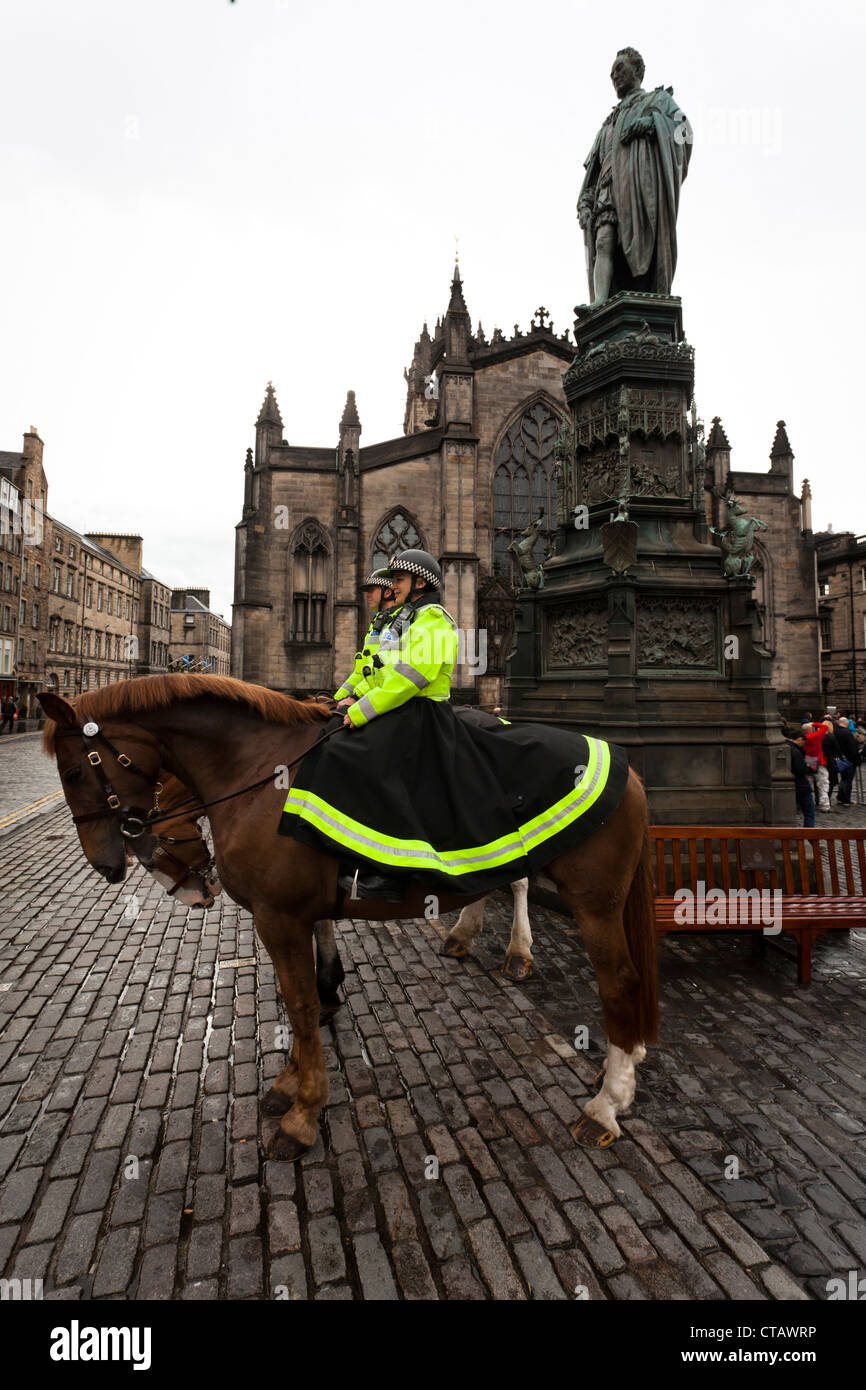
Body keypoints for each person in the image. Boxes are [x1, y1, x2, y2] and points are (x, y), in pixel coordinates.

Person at [278, 548, 630, 904]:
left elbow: (410, 679)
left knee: (370, 764)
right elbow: (376, 671)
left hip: (420, 715)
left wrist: (362, 711)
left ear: (420, 583)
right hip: (401, 711)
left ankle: (390, 872)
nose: (392, 586)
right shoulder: (407, 619)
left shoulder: (434, 619)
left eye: (399, 580)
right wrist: (340, 700)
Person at [577, 47, 691, 310]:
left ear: (638, 70)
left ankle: (645, 296)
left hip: (638, 190)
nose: (614, 76)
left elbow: (684, 131)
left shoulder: (658, 101)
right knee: (603, 240)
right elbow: (592, 172)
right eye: (611, 73)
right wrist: (584, 201)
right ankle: (600, 301)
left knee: (636, 250)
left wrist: (652, 123)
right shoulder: (608, 123)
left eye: (620, 69)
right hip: (608, 186)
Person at [333, 569, 401, 709]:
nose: (368, 595)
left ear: (387, 592)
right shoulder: (377, 624)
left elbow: (385, 669)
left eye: (372, 590)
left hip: (384, 699)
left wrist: (355, 696)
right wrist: (336, 699)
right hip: (368, 694)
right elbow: (361, 672)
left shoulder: (399, 622)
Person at [786, 731, 815, 828]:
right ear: (799, 739)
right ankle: (810, 837)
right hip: (801, 786)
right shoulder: (795, 751)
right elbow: (800, 769)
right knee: (809, 813)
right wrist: (807, 766)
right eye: (803, 742)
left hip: (791, 785)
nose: (804, 744)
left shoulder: (784, 748)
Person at [802, 720, 830, 811]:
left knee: (808, 785)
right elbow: (825, 727)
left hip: (806, 762)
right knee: (823, 784)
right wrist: (813, 723)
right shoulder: (815, 736)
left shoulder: (803, 738)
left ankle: (808, 805)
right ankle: (824, 805)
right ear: (811, 729)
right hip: (818, 762)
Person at [833, 715, 859, 806]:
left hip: (840, 758)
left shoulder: (835, 731)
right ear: (846, 724)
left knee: (843, 779)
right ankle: (846, 799)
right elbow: (852, 748)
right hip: (848, 759)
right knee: (848, 780)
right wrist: (855, 760)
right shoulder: (847, 733)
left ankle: (840, 797)